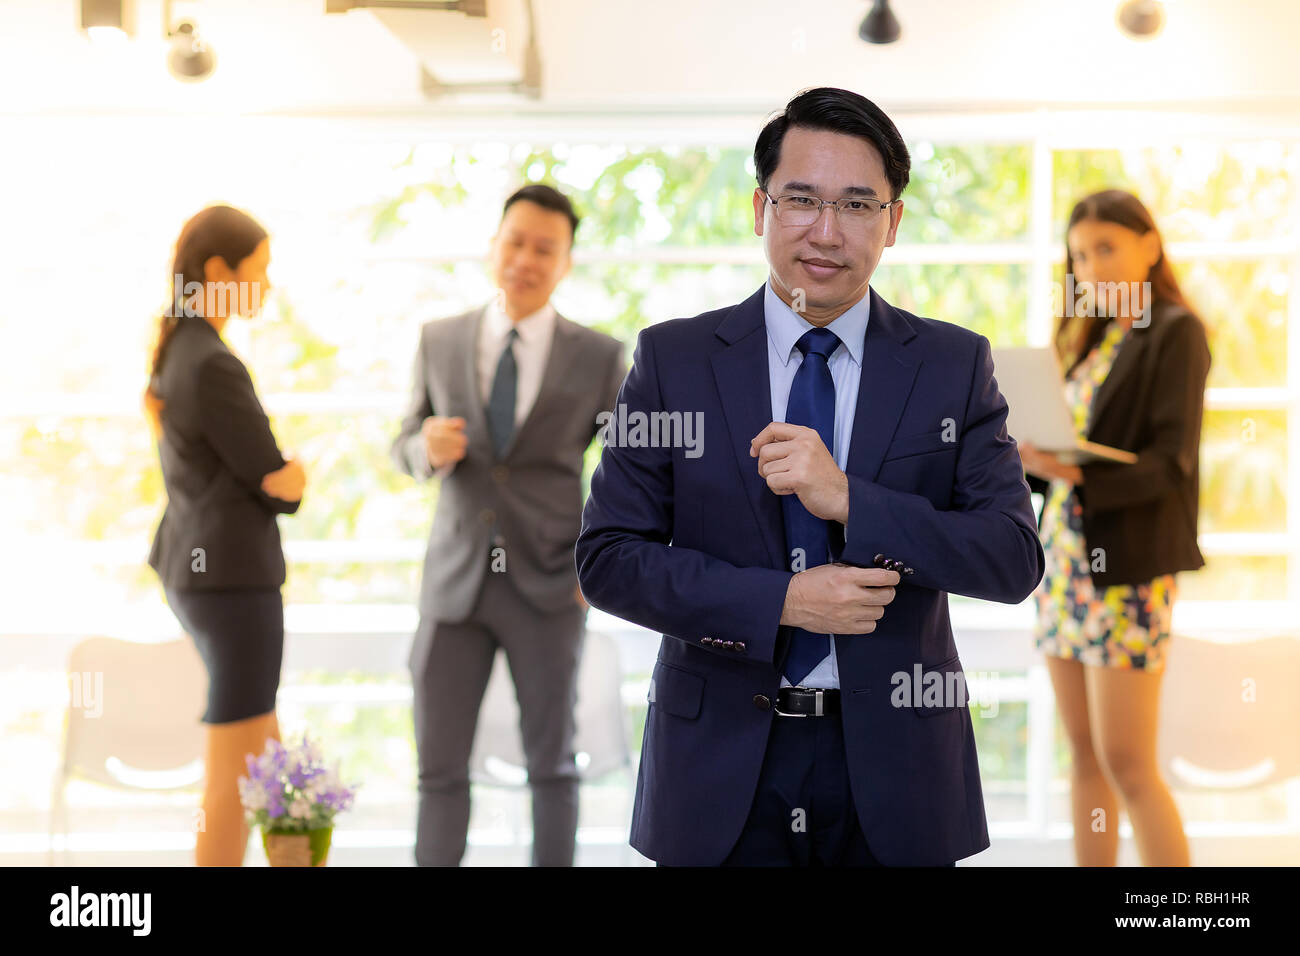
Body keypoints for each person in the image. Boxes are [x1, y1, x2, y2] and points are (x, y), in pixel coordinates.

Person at [576, 87, 1044, 867]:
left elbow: (1010, 558)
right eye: (802, 200)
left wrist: (852, 501)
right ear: (760, 207)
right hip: (719, 770)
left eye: (858, 205)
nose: (826, 232)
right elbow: (608, 559)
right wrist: (783, 603)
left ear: (891, 223)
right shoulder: (673, 361)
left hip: (898, 775)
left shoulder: (951, 366)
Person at [392, 183, 625, 866]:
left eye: (544, 249)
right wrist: (422, 449)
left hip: (551, 584)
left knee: (552, 767)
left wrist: (598, 561)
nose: (526, 259)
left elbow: (630, 468)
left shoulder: (599, 356)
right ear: (495, 245)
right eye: (515, 241)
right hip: (454, 583)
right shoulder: (440, 339)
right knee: (438, 771)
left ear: (566, 262)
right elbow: (403, 440)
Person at [1019, 189, 1210, 867]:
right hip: (1065, 568)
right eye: (1078, 254)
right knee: (1086, 761)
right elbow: (1063, 464)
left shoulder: (1176, 331)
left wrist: (1071, 474)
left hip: (1126, 573)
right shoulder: (1089, 340)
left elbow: (1171, 464)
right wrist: (1031, 461)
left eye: (1106, 248)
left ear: (1149, 246)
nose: (1090, 266)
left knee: (1128, 764)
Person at [144, 204, 306, 866]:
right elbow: (275, 477)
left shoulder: (179, 353)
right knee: (236, 778)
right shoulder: (212, 363)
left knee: (270, 763)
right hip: (233, 584)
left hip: (199, 575)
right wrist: (296, 474)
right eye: (259, 271)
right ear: (219, 271)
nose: (266, 286)